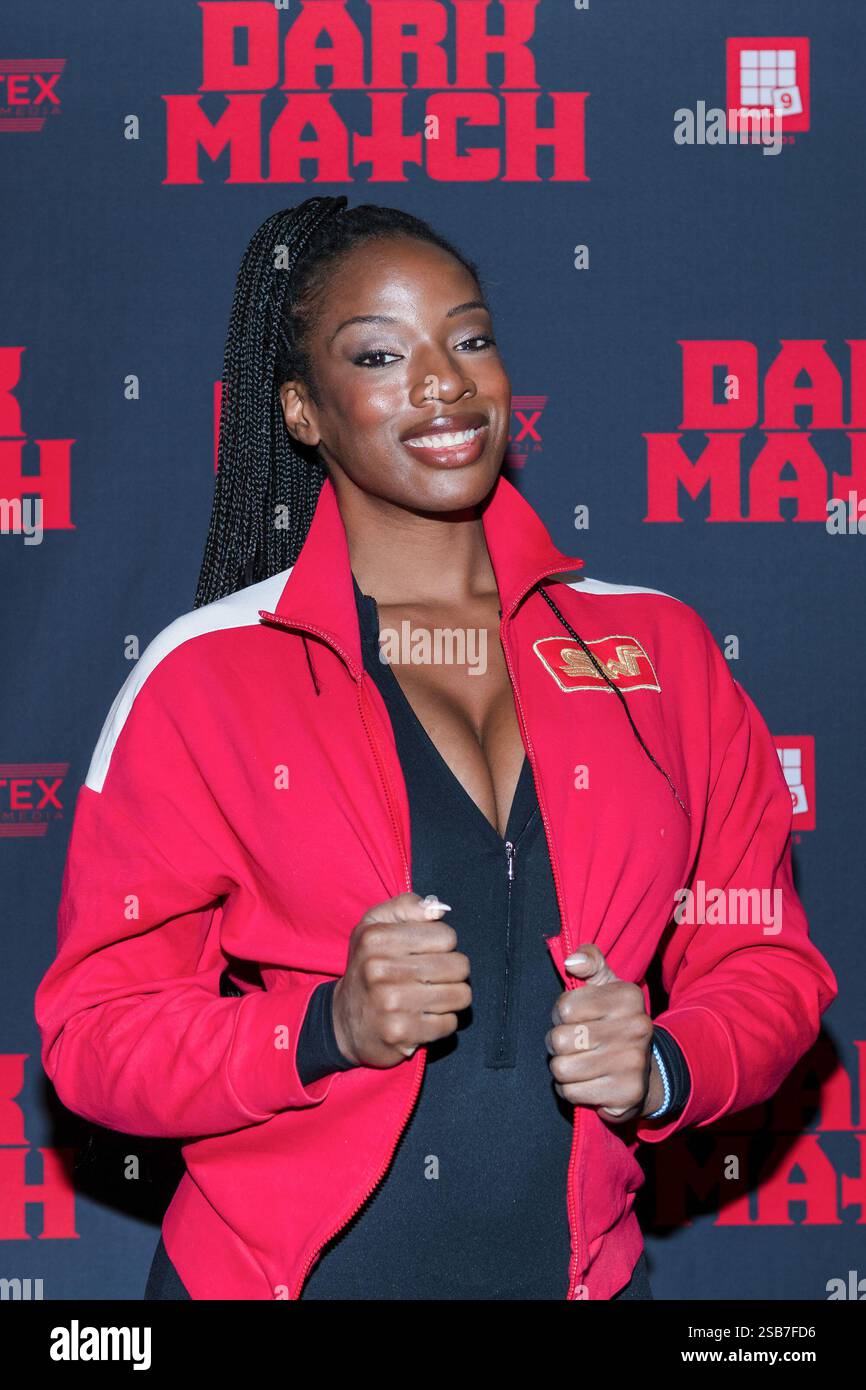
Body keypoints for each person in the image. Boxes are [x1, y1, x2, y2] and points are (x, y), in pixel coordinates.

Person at [35, 196, 838, 1301]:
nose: (443, 384)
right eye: (379, 353)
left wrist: (663, 1062)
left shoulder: (658, 651)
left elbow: (764, 961)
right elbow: (95, 1035)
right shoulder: (205, 672)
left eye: (467, 339)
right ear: (303, 412)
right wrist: (321, 1027)